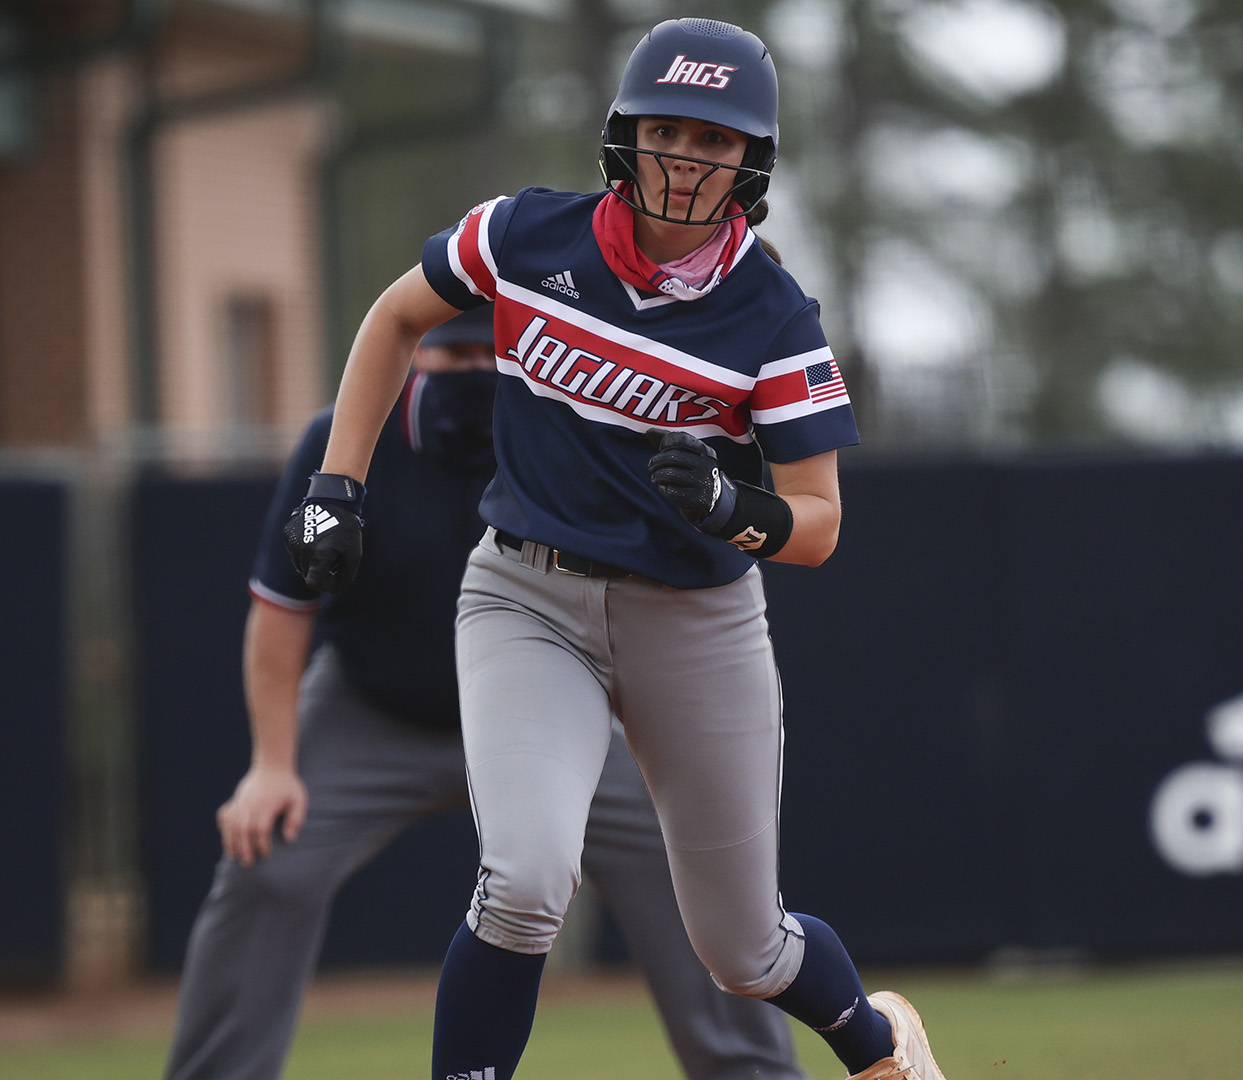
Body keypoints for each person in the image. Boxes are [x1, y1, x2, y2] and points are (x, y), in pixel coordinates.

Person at [280, 16, 950, 1080]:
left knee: (742, 949)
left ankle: (878, 1045)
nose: (686, 159)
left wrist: (738, 506)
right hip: (526, 595)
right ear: (624, 135)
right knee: (524, 883)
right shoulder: (526, 236)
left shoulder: (774, 317)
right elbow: (393, 321)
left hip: (693, 617)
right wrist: (335, 486)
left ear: (753, 163)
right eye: (668, 130)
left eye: (716, 140)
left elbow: (819, 526)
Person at [161, 304, 807, 1080]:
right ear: (413, 359)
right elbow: (281, 607)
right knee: (266, 857)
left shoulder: (565, 433)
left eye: (486, 356)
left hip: (567, 709)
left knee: (698, 882)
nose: (472, 373)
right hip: (376, 709)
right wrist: (271, 762)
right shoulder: (347, 440)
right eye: (450, 357)